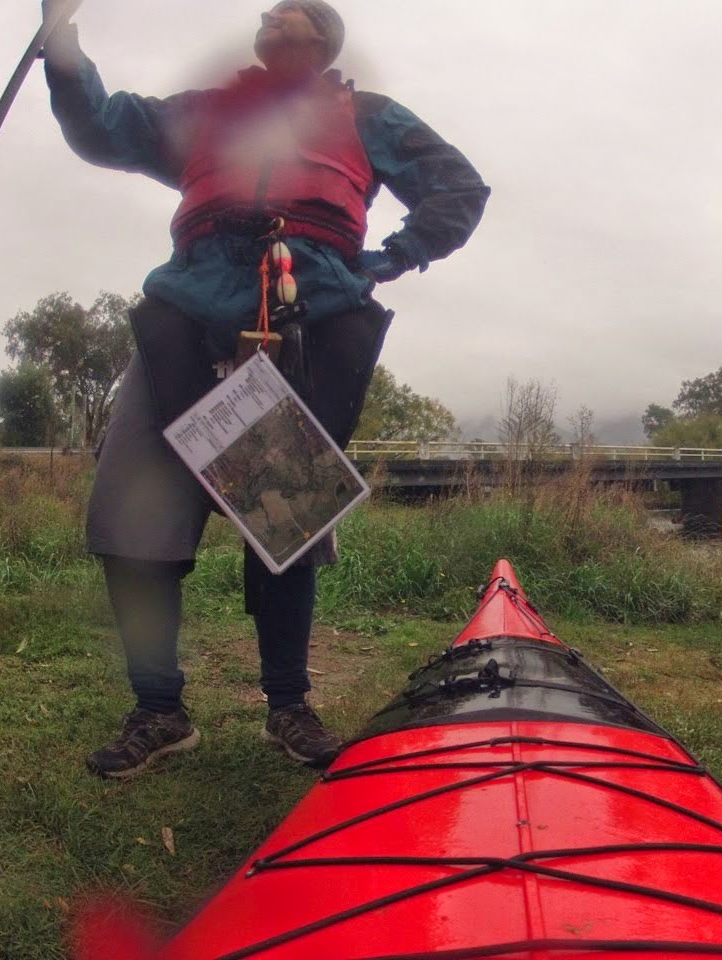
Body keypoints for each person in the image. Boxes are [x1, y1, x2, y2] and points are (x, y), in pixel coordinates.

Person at [41, 0, 489, 777]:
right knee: (131, 515)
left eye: (293, 11)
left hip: (299, 319)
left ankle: (288, 706)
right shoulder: (209, 112)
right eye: (269, 11)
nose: (273, 14)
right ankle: (159, 710)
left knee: (286, 517)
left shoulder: (371, 117)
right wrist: (62, 48)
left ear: (326, 39)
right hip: (186, 314)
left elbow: (459, 187)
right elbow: (105, 127)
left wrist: (390, 258)